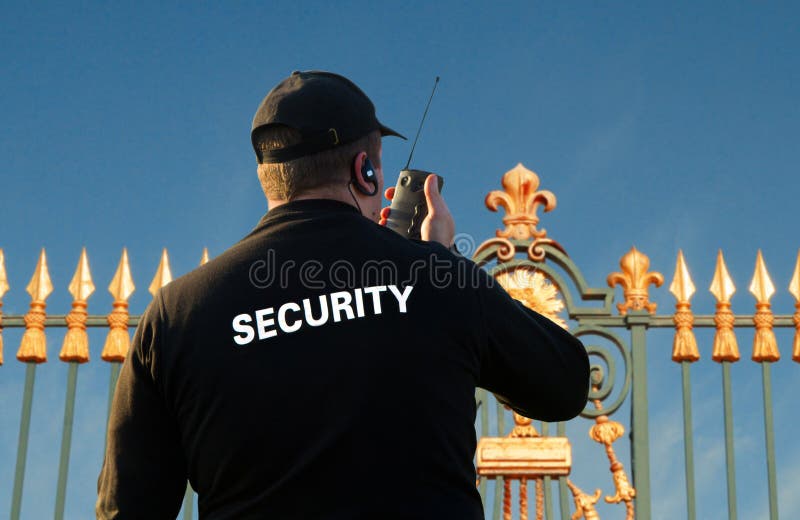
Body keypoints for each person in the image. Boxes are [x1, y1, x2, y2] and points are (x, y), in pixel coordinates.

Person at [96, 70, 589, 519]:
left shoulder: (178, 312)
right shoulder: (439, 279)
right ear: (365, 171)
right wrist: (441, 264)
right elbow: (565, 382)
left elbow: (126, 510)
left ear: (268, 176)